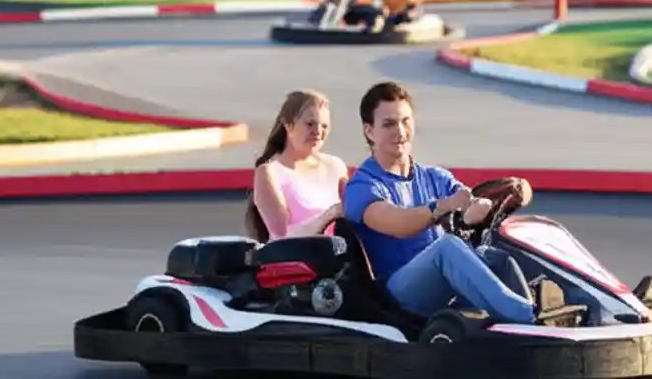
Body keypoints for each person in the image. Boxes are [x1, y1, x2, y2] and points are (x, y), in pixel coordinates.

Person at [342, 81, 575, 326]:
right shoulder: (362, 186)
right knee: (448, 248)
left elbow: (467, 200)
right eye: (389, 124)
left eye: (405, 121)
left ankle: (531, 321)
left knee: (494, 256)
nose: (400, 131)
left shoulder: (434, 177)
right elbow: (399, 224)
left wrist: (483, 206)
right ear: (369, 131)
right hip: (397, 295)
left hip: (441, 280)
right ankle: (527, 317)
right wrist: (441, 207)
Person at [246, 90, 348, 242]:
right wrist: (330, 215)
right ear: (288, 124)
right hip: (292, 262)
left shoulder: (336, 166)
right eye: (310, 124)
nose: (318, 132)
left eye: (324, 126)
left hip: (338, 259)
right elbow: (282, 236)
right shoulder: (269, 172)